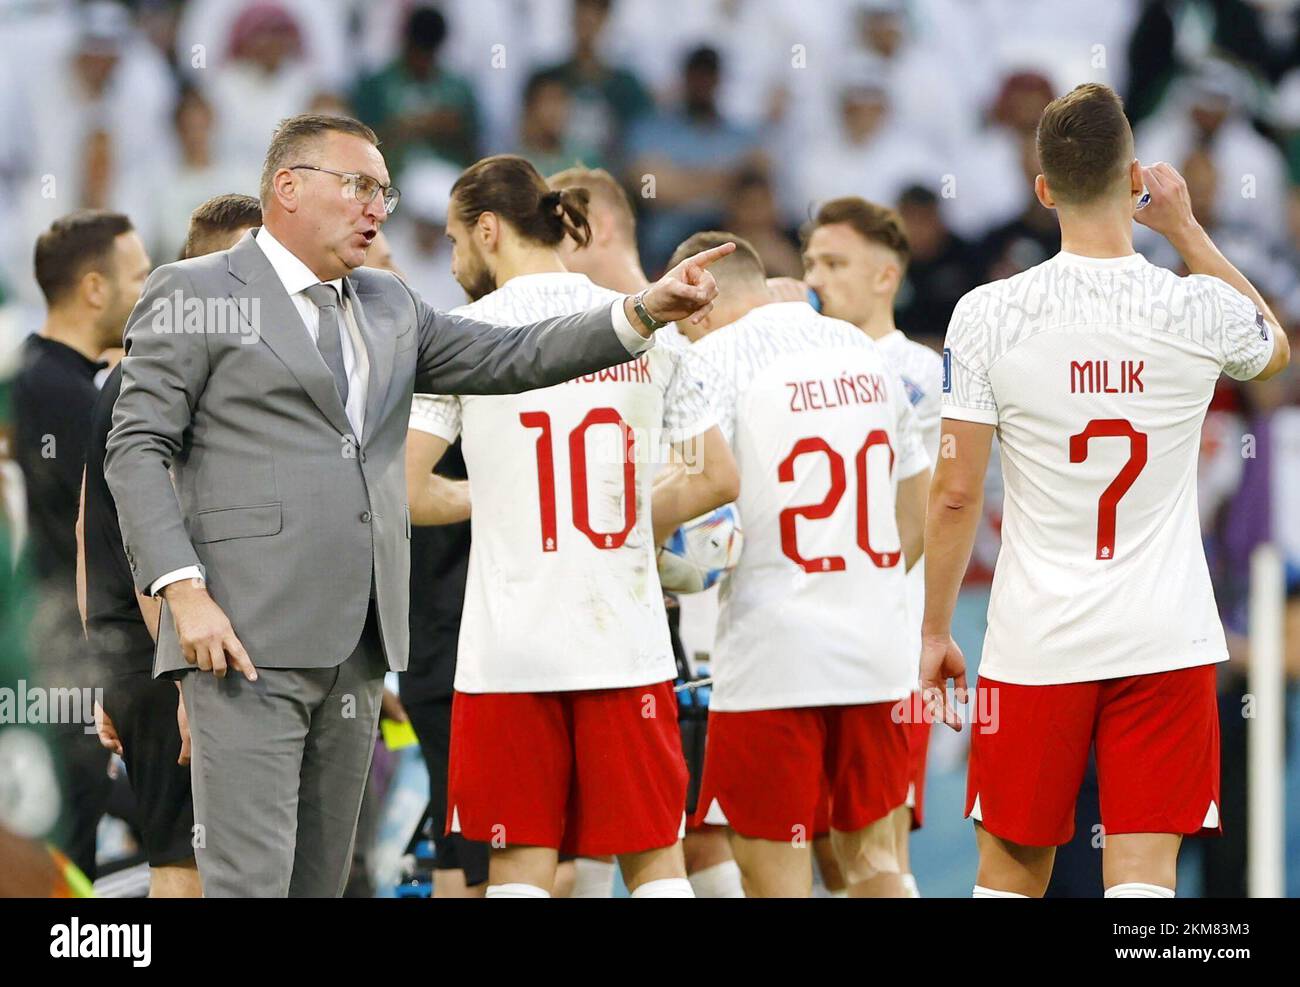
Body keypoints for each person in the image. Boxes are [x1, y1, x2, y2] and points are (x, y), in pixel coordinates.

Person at [103, 113, 731, 898]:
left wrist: (639, 313)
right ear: (287, 188)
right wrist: (183, 590)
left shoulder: (388, 303)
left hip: (360, 648)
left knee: (322, 885)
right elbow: (134, 448)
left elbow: (516, 353)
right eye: (359, 185)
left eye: (385, 193)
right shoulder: (193, 290)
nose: (377, 207)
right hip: (243, 639)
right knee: (248, 886)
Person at [922, 83, 1290, 899]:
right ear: (1136, 179)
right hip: (1165, 635)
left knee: (1009, 878)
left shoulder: (988, 313)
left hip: (1036, 635)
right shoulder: (1193, 306)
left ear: (1043, 188)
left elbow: (954, 492)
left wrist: (933, 631)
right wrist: (1187, 228)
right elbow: (1271, 350)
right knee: (1143, 887)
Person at [415, 154, 738, 898]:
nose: (456, 257)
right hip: (626, 640)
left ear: (488, 230)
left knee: (520, 868)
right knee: (655, 858)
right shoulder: (643, 323)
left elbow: (405, 489)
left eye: (456, 239)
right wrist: (625, 517)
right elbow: (717, 476)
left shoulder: (459, 335)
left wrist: (496, 498)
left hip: (510, 652)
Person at [676, 231, 931, 897]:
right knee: (874, 862)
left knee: (773, 876)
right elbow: (917, 504)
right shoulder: (865, 352)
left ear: (699, 304)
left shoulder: (712, 362)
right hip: (876, 649)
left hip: (773, 654)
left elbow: (702, 493)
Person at [550, 164, 747, 898]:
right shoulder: (637, 338)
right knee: (641, 836)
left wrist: (609, 531)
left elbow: (711, 479)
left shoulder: (673, 338)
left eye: (554, 235)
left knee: (671, 836)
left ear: (590, 227)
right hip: (643, 621)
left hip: (667, 625)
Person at [82, 193, 262, 899]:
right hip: (179, 656)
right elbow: (151, 532)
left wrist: (109, 659)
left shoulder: (127, 373)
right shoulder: (168, 375)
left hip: (145, 654)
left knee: (186, 860)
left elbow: (84, 530)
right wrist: (180, 678)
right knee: (190, 872)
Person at [802, 195, 944, 897]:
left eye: (835, 262)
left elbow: (932, 510)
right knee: (833, 851)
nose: (814, 277)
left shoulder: (916, 373)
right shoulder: (805, 362)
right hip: (817, 642)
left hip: (888, 643)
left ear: (886, 276)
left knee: (877, 845)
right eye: (809, 261)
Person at [11, 209, 150, 881]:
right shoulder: (58, 391)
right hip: (64, 661)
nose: (149, 291)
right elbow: (110, 519)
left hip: (63, 658)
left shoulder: (46, 377)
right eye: (141, 276)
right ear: (95, 288)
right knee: (70, 850)